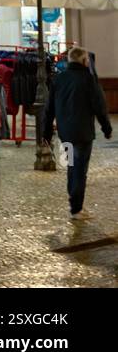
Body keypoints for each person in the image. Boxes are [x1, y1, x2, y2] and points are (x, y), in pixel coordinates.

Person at [43, 45, 113, 220]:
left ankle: (73, 203)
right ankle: (76, 209)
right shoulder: (88, 80)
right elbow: (100, 106)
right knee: (80, 170)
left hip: (65, 133)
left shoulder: (59, 79)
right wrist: (107, 128)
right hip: (83, 134)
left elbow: (49, 108)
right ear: (83, 60)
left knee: (71, 166)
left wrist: (46, 133)